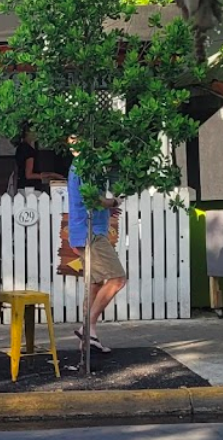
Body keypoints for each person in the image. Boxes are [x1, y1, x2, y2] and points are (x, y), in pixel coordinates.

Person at [66, 137, 125, 354]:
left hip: (87, 230)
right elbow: (94, 199)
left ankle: (89, 338)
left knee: (95, 283)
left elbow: (88, 200)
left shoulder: (87, 166)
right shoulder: (85, 167)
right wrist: (113, 202)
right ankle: (86, 327)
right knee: (118, 279)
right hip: (90, 233)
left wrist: (107, 210)